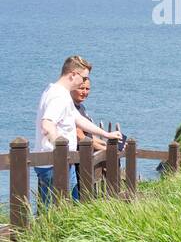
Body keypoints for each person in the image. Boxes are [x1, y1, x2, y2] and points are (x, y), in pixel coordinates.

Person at [34, 56, 121, 207]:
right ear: (73, 74)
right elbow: (47, 124)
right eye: (84, 77)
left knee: (71, 209)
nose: (84, 82)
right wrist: (60, 148)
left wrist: (107, 135)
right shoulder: (59, 96)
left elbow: (78, 119)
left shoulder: (59, 92)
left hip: (63, 162)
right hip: (54, 164)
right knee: (55, 212)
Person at [71, 74, 106, 198]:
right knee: (80, 194)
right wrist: (105, 150)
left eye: (87, 89)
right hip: (79, 159)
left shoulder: (81, 107)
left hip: (87, 158)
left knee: (87, 193)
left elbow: (89, 135)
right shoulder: (71, 107)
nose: (84, 92)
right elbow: (80, 136)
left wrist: (106, 144)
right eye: (81, 88)